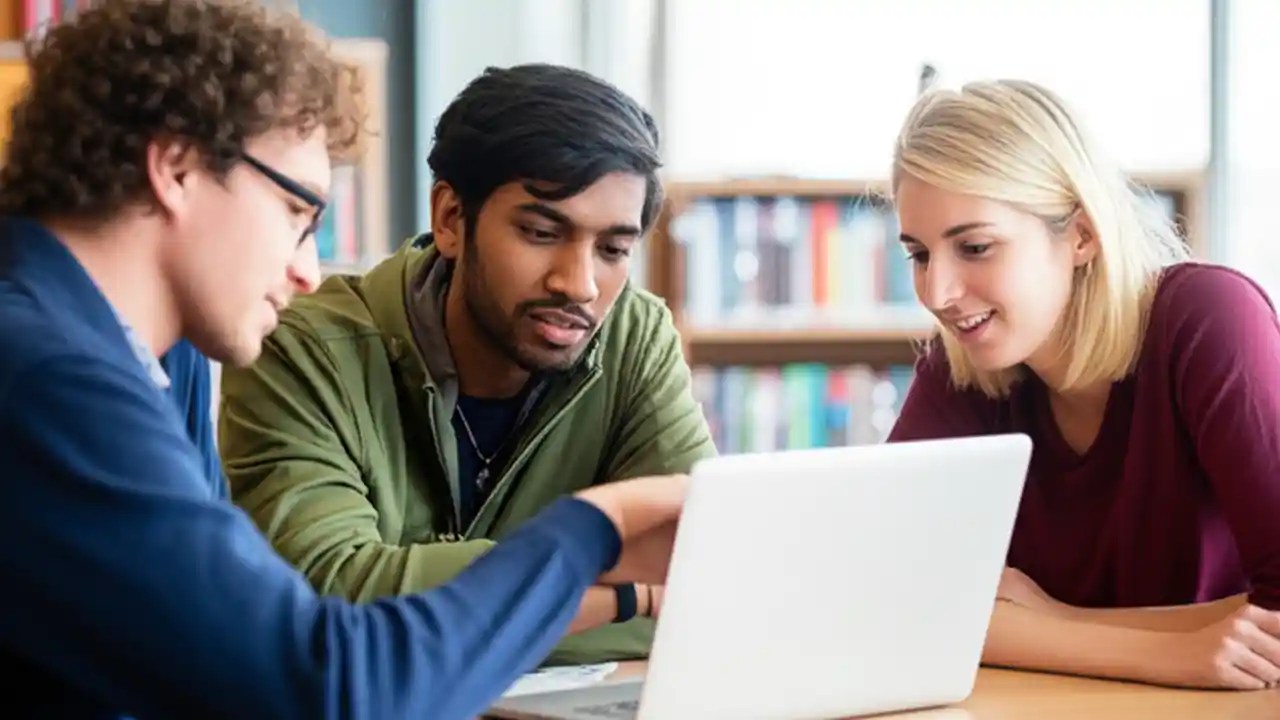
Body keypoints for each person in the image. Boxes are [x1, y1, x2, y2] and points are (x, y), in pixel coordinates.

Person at [0, 2, 690, 717]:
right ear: (176, 167)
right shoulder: (48, 377)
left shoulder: (151, 359)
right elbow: (324, 680)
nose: (308, 270)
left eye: (614, 249)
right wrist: (594, 533)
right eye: (299, 214)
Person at [217, 63, 715, 664]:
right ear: (451, 219)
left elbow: (705, 581)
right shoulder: (303, 347)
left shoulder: (633, 337)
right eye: (538, 232)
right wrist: (625, 590)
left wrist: (449, 599)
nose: (579, 284)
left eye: (613, 250)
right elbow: (330, 605)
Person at [886, 78, 1280, 691]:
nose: (938, 293)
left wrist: (1057, 622)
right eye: (919, 254)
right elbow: (893, 600)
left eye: (976, 247)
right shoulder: (961, 364)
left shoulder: (1210, 320)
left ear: (1082, 235)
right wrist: (1172, 652)